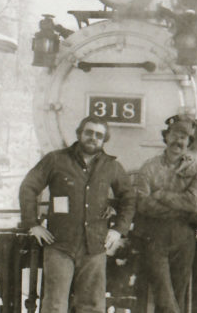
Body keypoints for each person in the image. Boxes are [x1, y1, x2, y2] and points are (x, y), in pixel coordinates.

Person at [18, 115, 136, 313]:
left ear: (104, 140)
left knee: (92, 306)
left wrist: (118, 229)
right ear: (79, 133)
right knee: (55, 305)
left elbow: (128, 198)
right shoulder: (56, 160)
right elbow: (28, 187)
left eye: (99, 135)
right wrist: (33, 223)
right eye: (89, 132)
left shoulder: (111, 166)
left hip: (95, 248)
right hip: (60, 245)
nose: (93, 138)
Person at [134, 116, 197, 313]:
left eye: (184, 137)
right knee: (164, 294)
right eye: (175, 135)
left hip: (184, 237)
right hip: (154, 236)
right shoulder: (149, 167)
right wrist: (179, 209)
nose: (178, 141)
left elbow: (192, 203)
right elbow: (142, 204)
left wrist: (160, 195)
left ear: (189, 142)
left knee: (177, 294)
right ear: (166, 137)